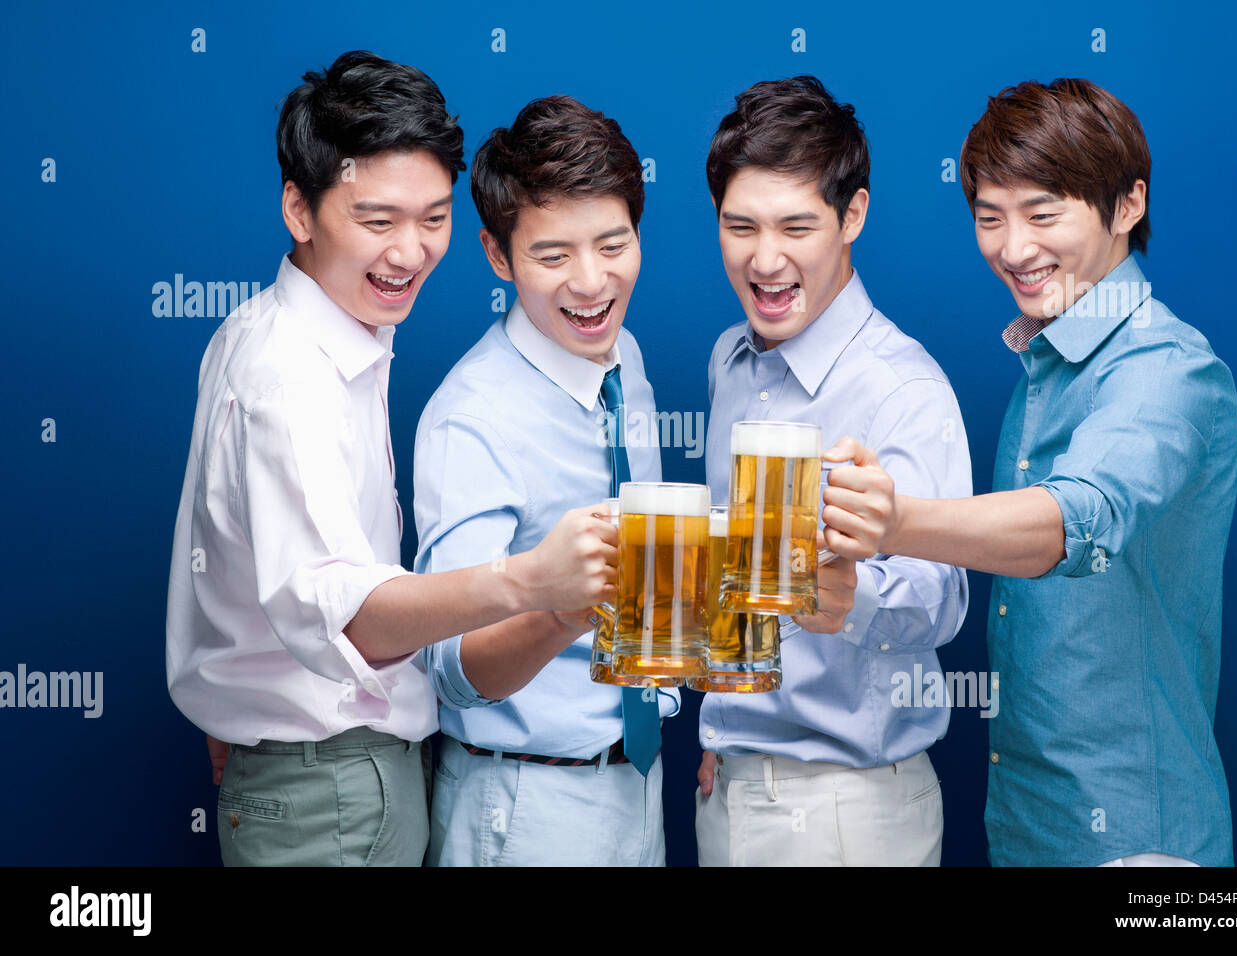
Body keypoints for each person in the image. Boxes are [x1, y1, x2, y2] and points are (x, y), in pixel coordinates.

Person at [165, 52, 614, 867]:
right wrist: (530, 583)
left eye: (433, 217)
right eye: (377, 221)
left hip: (322, 775)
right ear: (299, 209)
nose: (410, 251)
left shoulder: (280, 330)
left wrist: (242, 701)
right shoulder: (290, 373)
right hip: (333, 791)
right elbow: (350, 619)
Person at [854, 78, 1237, 866]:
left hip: (1140, 844)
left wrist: (897, 523)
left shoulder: (1168, 369)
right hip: (1030, 827)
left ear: (1128, 205)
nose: (1013, 247)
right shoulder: (1049, 360)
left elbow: (1074, 520)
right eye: (989, 218)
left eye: (1042, 212)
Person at [693, 75, 972, 866]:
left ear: (853, 216)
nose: (765, 258)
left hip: (848, 809)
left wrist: (845, 597)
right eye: (739, 226)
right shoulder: (729, 360)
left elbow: (942, 598)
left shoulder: (902, 386)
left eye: (796, 227)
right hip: (736, 791)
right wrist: (729, 731)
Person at [414, 95, 676, 866]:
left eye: (613, 243)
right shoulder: (473, 416)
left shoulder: (624, 357)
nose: (591, 282)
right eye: (552, 255)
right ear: (499, 257)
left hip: (636, 785)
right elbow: (454, 667)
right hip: (523, 806)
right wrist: (561, 608)